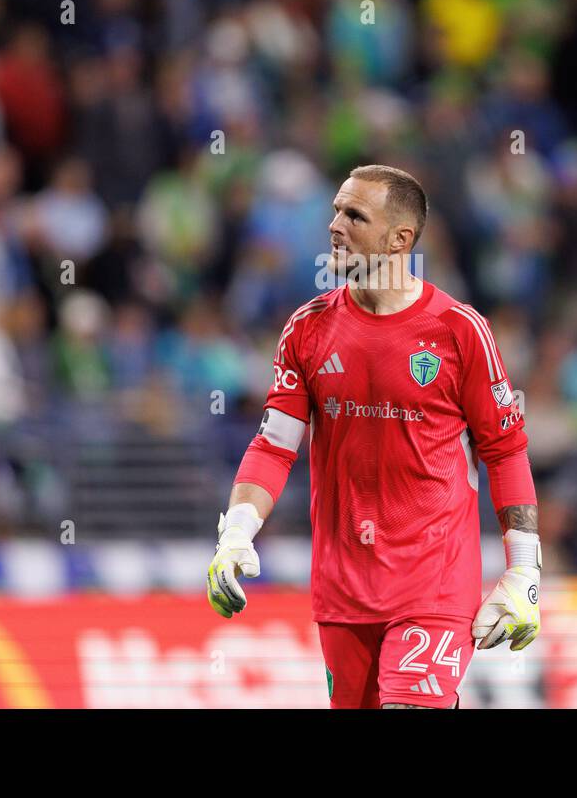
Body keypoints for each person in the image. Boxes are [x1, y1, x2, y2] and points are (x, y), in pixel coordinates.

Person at [206, 164, 540, 708]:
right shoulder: (307, 328)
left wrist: (524, 570)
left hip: (433, 581)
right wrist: (237, 532)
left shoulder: (459, 332)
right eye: (336, 211)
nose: (335, 226)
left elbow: (504, 452)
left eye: (355, 216)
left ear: (399, 238)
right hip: (342, 588)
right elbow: (273, 445)